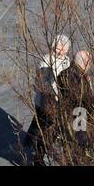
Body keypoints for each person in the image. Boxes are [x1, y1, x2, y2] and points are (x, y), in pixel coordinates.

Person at [24, 34, 70, 164]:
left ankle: (28, 140)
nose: (60, 51)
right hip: (47, 102)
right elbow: (45, 85)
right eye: (58, 48)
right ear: (53, 47)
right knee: (46, 128)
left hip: (56, 102)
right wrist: (56, 95)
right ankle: (38, 156)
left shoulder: (67, 61)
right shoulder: (46, 61)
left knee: (38, 121)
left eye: (63, 48)